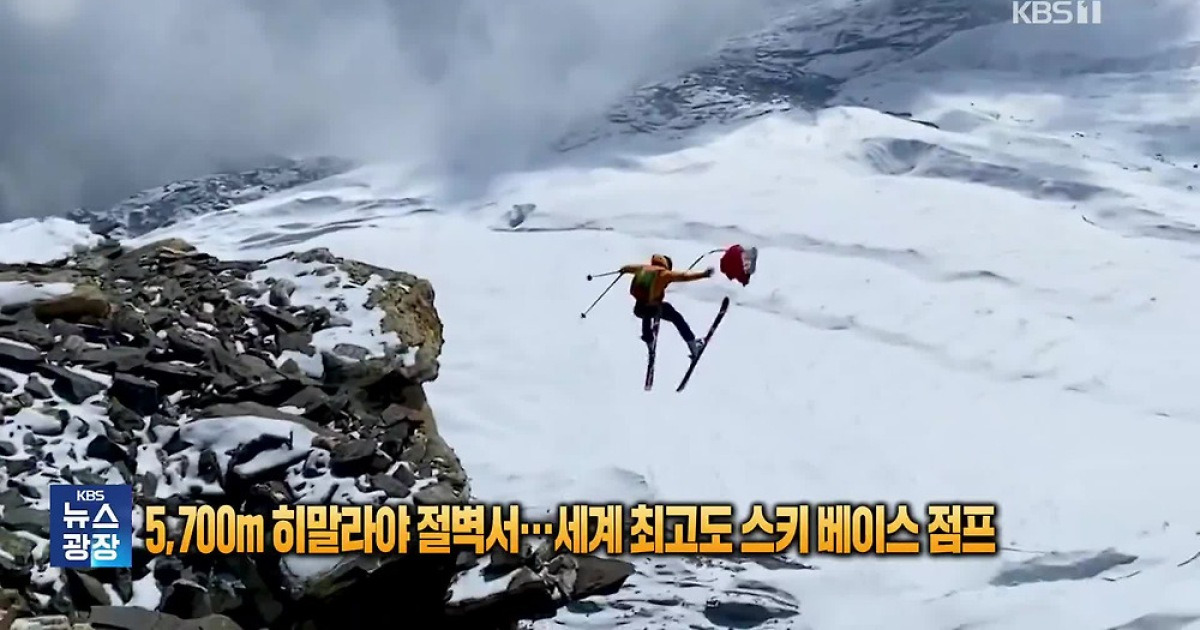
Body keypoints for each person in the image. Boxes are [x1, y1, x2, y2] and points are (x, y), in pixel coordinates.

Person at [619, 254, 714, 358]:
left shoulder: (643, 268)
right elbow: (684, 276)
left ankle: (649, 343)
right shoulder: (664, 273)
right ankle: (693, 346)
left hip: (639, 308)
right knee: (676, 317)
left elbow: (628, 268)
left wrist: (623, 270)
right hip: (654, 308)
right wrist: (704, 274)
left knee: (646, 314)